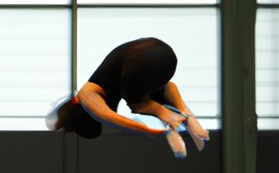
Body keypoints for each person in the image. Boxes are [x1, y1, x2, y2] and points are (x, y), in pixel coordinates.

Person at [46, 37, 209, 158]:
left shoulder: (87, 96)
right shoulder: (112, 83)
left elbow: (115, 120)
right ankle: (190, 121)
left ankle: (169, 117)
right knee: (158, 93)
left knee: (136, 104)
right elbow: (169, 86)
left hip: (144, 59)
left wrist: (155, 132)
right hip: (165, 57)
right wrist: (185, 111)